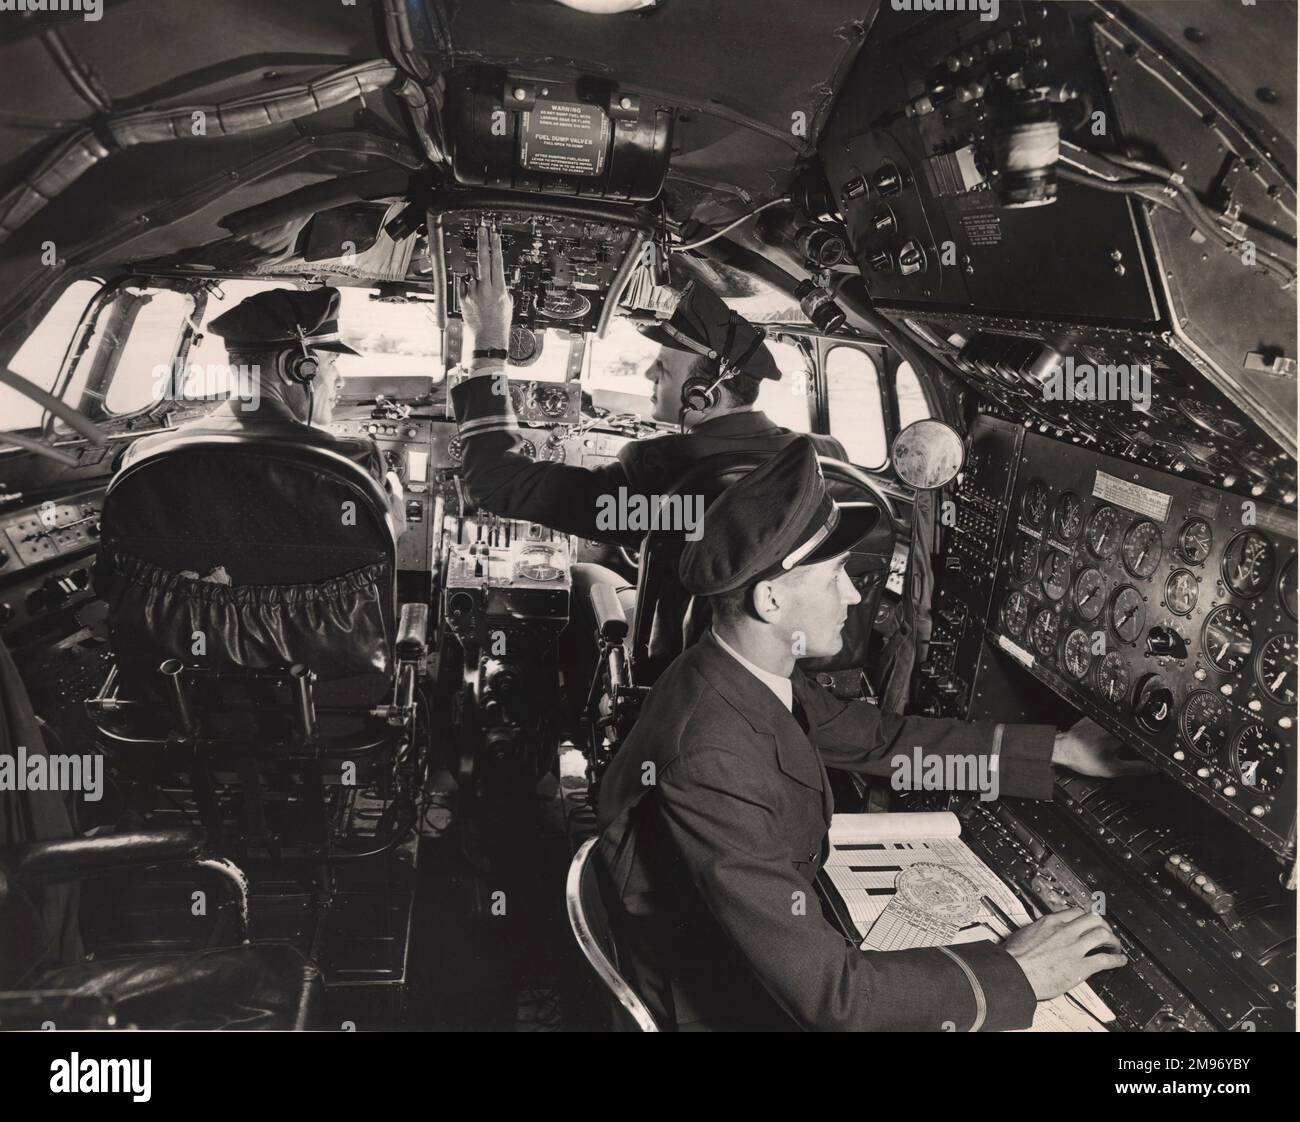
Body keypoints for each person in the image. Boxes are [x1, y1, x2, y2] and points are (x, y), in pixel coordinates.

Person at [594, 439, 1150, 1031]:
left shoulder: (735, 667)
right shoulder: (712, 755)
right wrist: (1017, 970)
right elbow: (836, 1001)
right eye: (837, 575)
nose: (856, 594)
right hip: (715, 1002)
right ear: (771, 599)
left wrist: (1059, 748)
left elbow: (878, 740)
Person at [453, 223, 848, 712]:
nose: (647, 374)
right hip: (786, 670)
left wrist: (489, 343)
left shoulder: (665, 477)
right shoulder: (825, 458)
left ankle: (581, 714)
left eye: (663, 367)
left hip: (682, 672)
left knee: (581, 574)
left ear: (706, 392)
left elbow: (497, 481)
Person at [122, 286, 404, 528]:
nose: (339, 381)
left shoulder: (145, 456)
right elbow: (367, 557)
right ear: (294, 368)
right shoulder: (354, 461)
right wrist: (394, 519)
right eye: (331, 364)